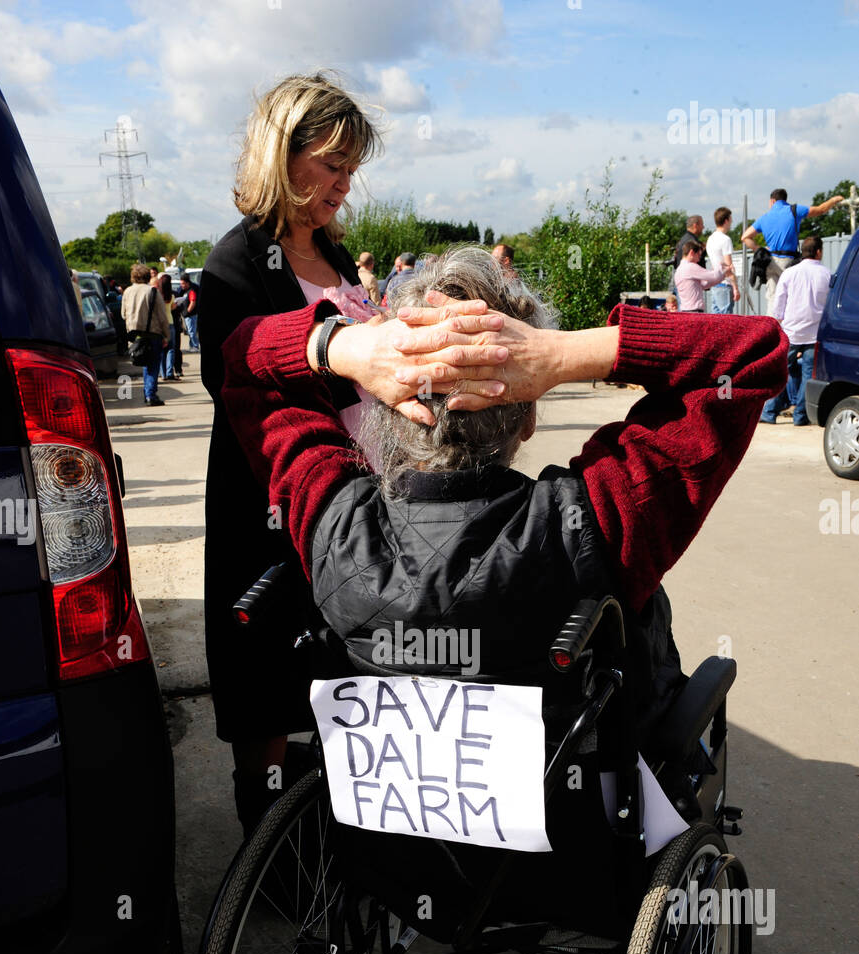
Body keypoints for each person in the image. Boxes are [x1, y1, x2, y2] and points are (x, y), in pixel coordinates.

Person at [218, 248, 787, 797]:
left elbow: (243, 358)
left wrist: (337, 343)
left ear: (386, 396)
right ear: (529, 413)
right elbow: (751, 353)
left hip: (384, 859)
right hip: (563, 862)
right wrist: (567, 353)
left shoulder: (329, 518)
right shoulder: (598, 519)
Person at [198, 71, 383, 832]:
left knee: (347, 662)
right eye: (332, 164)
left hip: (357, 495)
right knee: (266, 678)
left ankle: (341, 829)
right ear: (284, 155)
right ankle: (268, 840)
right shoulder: (235, 264)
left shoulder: (336, 259)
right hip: (270, 502)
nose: (345, 183)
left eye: (352, 169)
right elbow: (234, 380)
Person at [760, 235, 831, 426]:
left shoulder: (790, 273)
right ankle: (801, 415)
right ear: (818, 252)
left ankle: (769, 411)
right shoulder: (827, 274)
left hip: (791, 330)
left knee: (781, 370)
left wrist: (780, 320)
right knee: (808, 374)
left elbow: (779, 303)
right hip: (815, 332)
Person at [741, 187, 845, 313]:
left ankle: (773, 327)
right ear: (785, 199)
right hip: (789, 262)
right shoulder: (794, 210)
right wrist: (834, 200)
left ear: (772, 201)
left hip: (770, 261)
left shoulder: (764, 217)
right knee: (792, 296)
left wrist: (759, 249)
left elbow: (745, 237)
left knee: (773, 298)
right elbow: (820, 209)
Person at [121, 262, 169, 405]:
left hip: (135, 335)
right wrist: (167, 335)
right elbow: (162, 316)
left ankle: (147, 392)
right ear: (148, 276)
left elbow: (123, 314)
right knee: (153, 365)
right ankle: (150, 395)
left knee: (144, 363)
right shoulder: (152, 292)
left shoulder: (127, 292)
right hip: (153, 333)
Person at [674, 241, 730, 312]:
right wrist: (722, 267)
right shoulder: (691, 267)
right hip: (694, 311)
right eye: (698, 255)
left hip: (685, 310)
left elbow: (703, 285)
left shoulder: (679, 270)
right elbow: (714, 276)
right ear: (691, 253)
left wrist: (722, 276)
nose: (699, 259)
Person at [705, 207, 740, 315]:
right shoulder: (725, 240)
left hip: (715, 282)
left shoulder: (710, 239)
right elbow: (728, 266)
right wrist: (735, 287)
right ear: (726, 221)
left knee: (715, 320)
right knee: (727, 320)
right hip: (725, 283)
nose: (731, 222)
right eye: (730, 219)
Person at [157, 274, 180, 380]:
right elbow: (172, 307)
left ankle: (163, 373)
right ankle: (170, 372)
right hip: (170, 322)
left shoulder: (157, 295)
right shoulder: (171, 296)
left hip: (160, 324)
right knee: (171, 349)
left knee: (161, 349)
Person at [179, 272, 200, 349]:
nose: (182, 285)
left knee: (192, 332)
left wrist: (187, 312)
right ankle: (192, 346)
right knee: (190, 331)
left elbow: (193, 302)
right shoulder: (184, 291)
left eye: (183, 283)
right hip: (187, 316)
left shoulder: (191, 291)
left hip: (191, 315)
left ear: (187, 283)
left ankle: (195, 346)